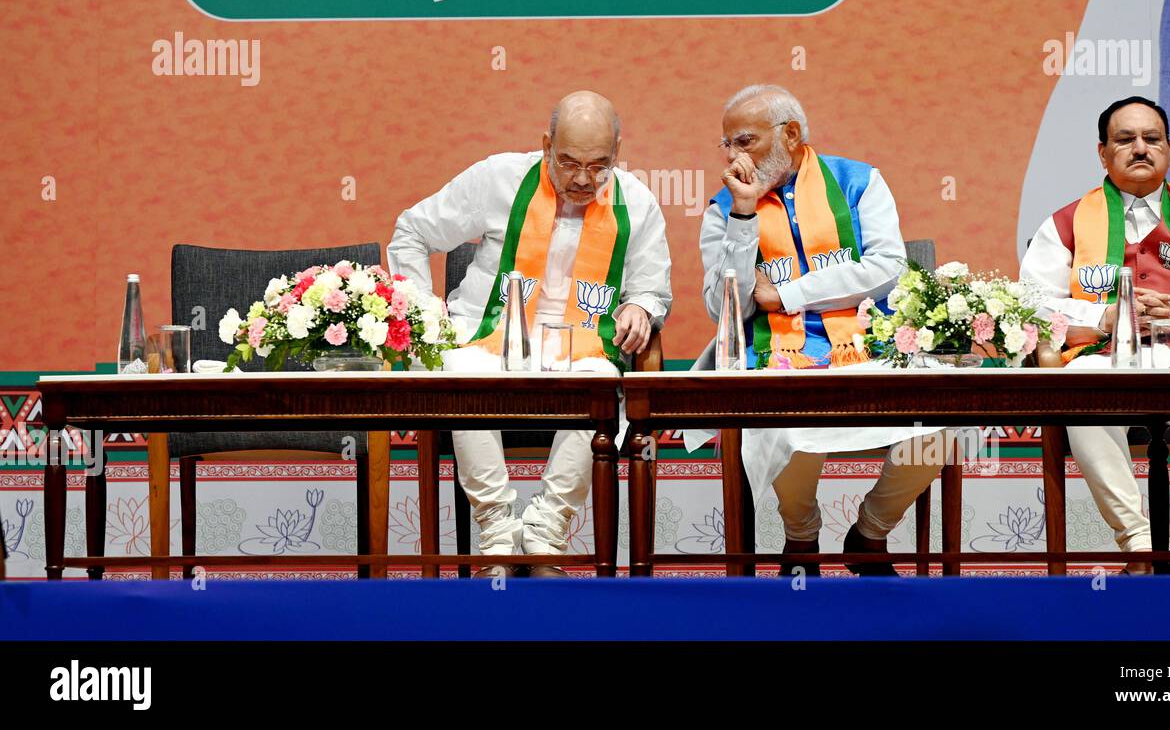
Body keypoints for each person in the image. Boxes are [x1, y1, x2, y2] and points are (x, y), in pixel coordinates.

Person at [387, 91, 672, 578]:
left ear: (618, 152)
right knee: (459, 373)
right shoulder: (498, 177)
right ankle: (496, 531)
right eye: (569, 162)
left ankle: (546, 530)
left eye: (599, 165)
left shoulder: (637, 202)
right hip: (486, 336)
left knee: (602, 387)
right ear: (546, 145)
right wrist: (422, 310)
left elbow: (652, 288)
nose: (583, 179)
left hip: (580, 344)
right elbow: (412, 231)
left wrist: (641, 308)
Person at [699, 84, 952, 576]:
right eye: (726, 144)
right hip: (776, 354)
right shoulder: (723, 206)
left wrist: (787, 293)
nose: (733, 156)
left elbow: (887, 267)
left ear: (790, 134)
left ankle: (871, 533)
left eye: (744, 141)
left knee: (944, 426)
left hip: (872, 347)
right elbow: (721, 306)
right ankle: (802, 537)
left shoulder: (859, 181)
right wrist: (744, 216)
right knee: (786, 419)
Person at [1020, 95, 1170, 572]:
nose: (1140, 148)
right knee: (1080, 393)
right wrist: (1104, 319)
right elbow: (1029, 304)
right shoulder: (1065, 224)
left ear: (1169, 149)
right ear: (1102, 152)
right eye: (1125, 139)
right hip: (1105, 359)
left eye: (1151, 139)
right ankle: (1138, 544)